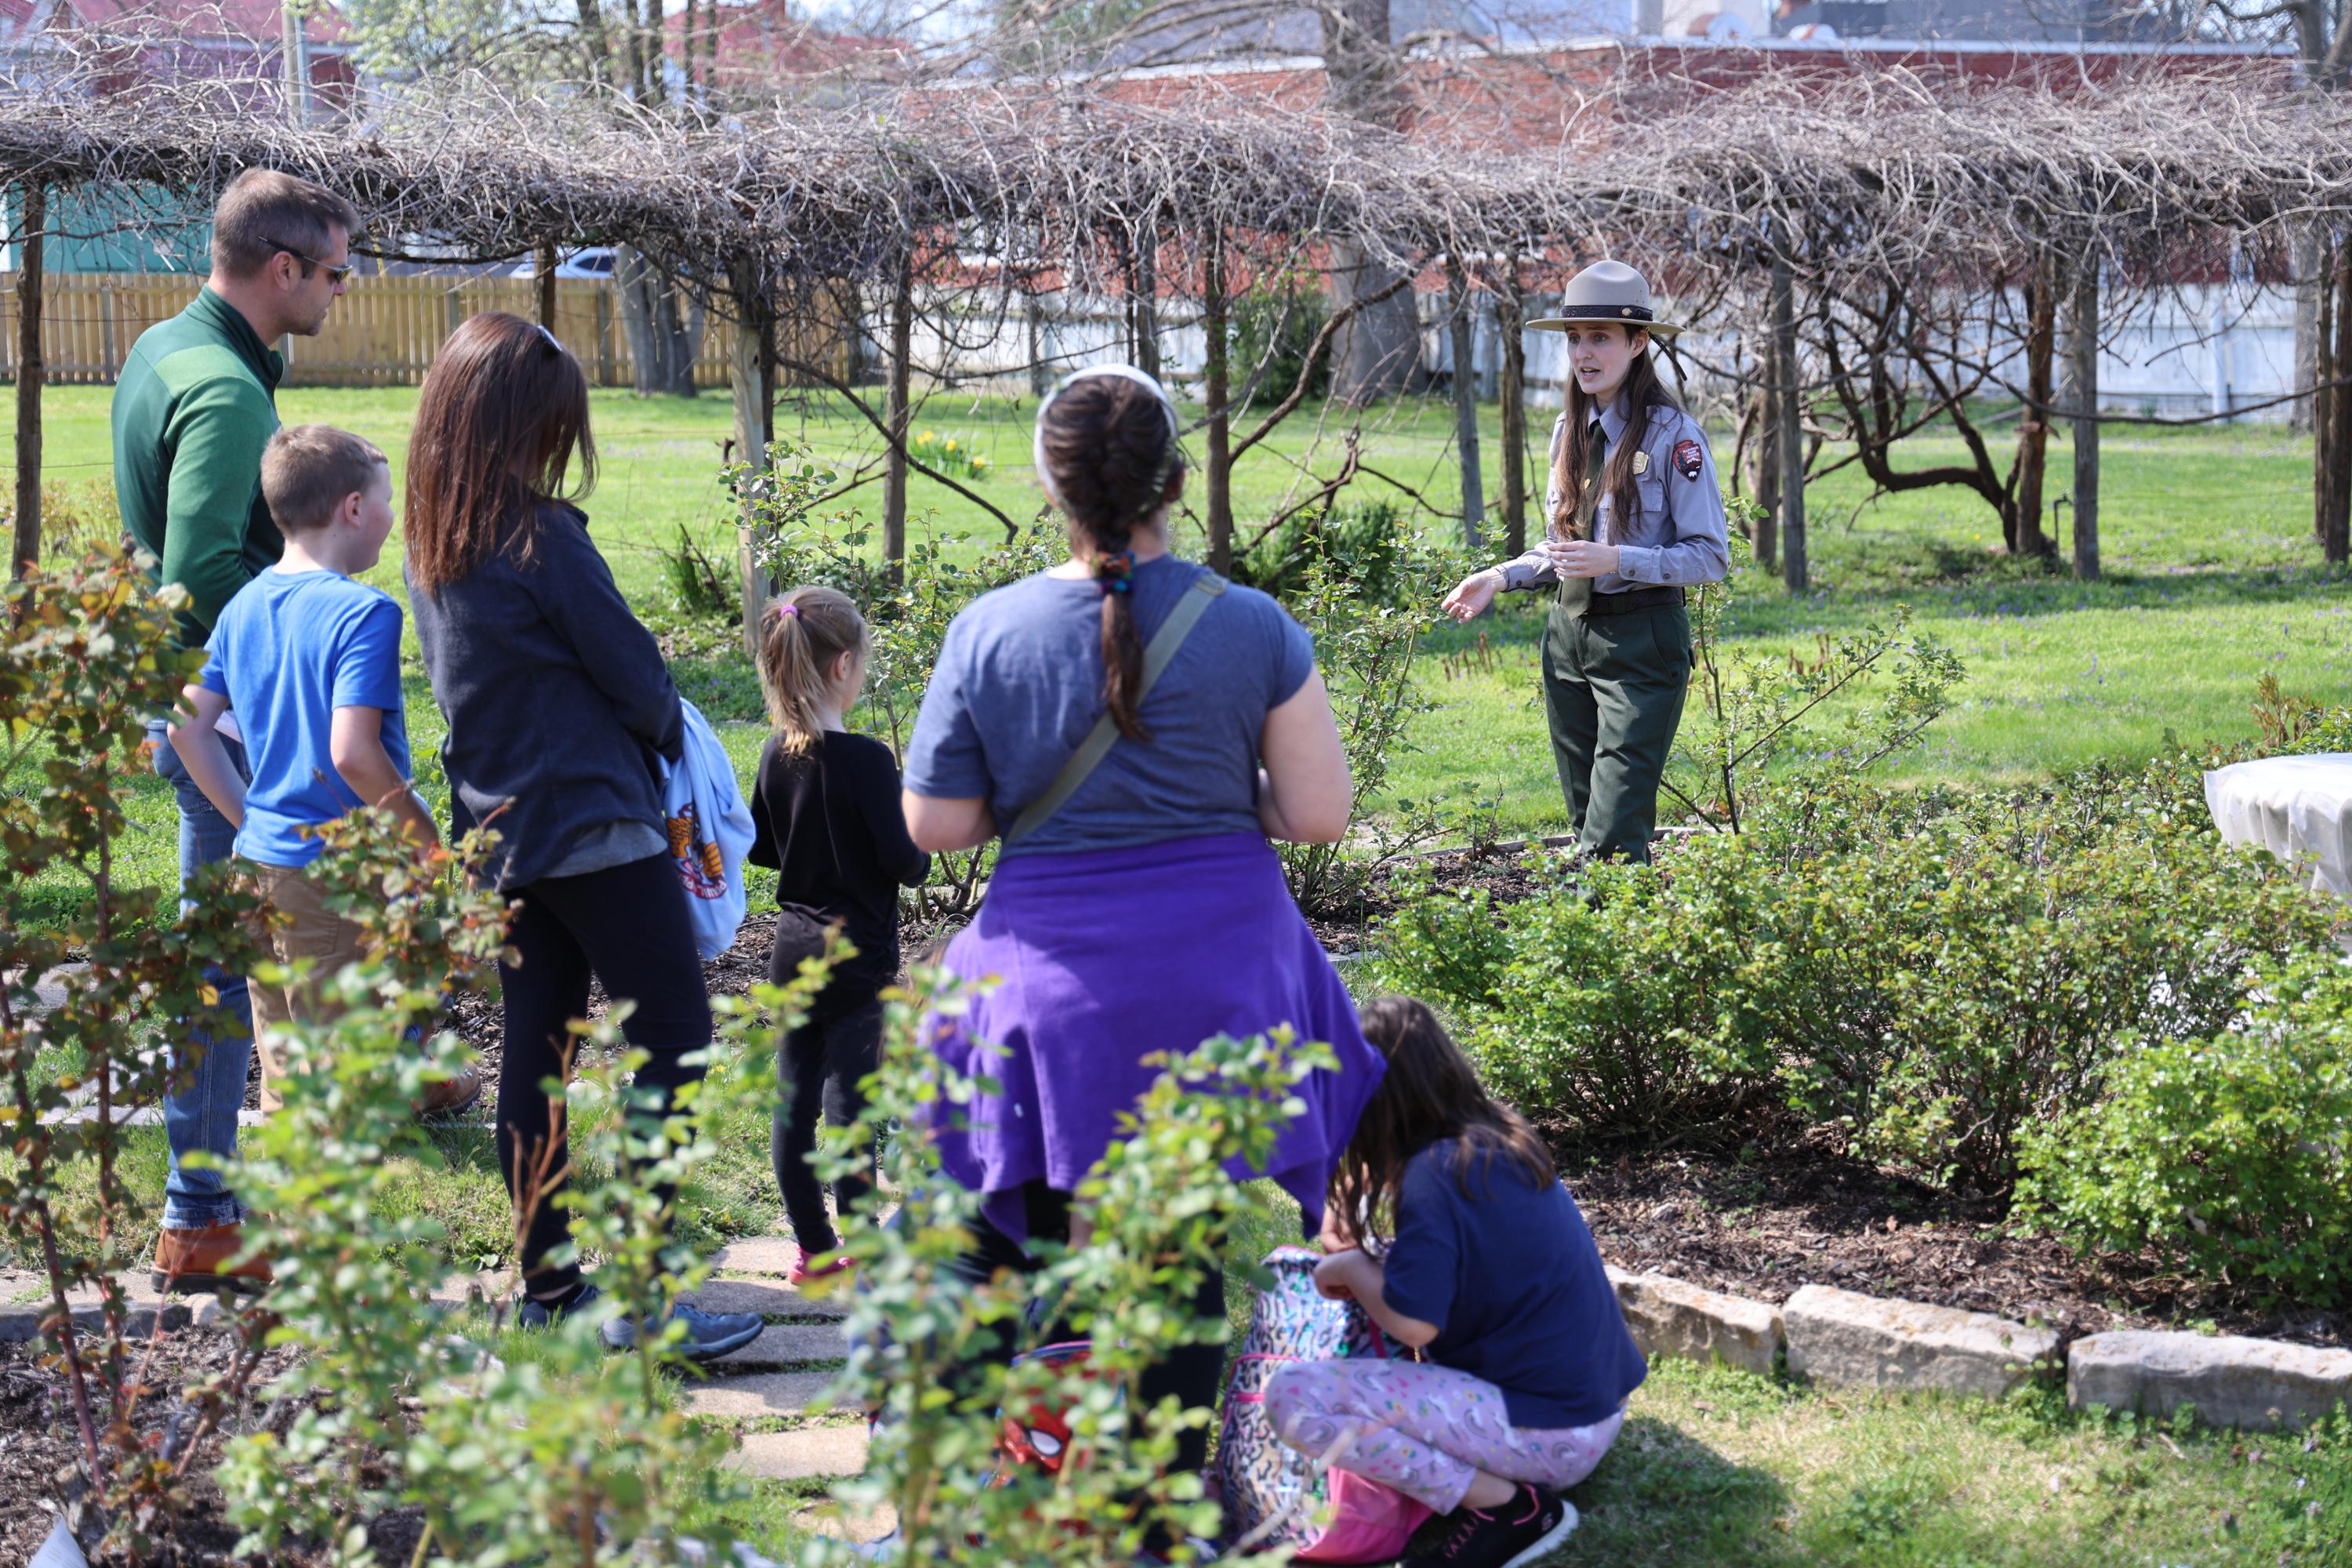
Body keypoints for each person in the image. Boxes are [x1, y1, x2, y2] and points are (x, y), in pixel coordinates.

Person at [899, 364, 1388, 1497]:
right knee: (1172, 1250)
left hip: (1045, 999)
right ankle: (1157, 1507)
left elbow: (938, 826)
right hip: (1219, 985)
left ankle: (978, 1487)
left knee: (999, 1229)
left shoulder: (989, 630)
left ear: (1050, 486)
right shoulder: (1253, 625)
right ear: (1175, 481)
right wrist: (1213, 798)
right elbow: (1318, 812)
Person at [402, 311, 760, 1363]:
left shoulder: (435, 542)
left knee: (540, 1047)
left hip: (501, 832)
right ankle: (648, 1293)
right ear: (519, 422)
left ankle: (551, 1288)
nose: (560, 444)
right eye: (553, 426)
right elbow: (637, 678)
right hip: (596, 824)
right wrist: (668, 727)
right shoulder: (540, 535)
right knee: (677, 1035)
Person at [114, 168, 361, 1290]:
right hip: (216, 713)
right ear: (283, 268)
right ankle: (200, 1213)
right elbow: (202, 565)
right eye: (335, 276)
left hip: (182, 697)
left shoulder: (163, 346)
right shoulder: (224, 392)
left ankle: (212, 1198)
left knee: (222, 948)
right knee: (217, 962)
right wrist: (292, 645)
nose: (341, 294)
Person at [164, 424, 483, 1138]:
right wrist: (425, 838)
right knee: (335, 1095)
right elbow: (353, 754)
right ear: (353, 508)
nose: (394, 516)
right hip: (332, 877)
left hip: (259, 868)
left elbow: (187, 728)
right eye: (387, 499)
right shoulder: (365, 613)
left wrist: (252, 820)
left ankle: (292, 1212)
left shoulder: (245, 604)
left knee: (289, 1070)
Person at [1265, 996, 1646, 1568]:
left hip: (1550, 1435)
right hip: (1592, 1411)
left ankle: (1509, 1508)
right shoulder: (1492, 1137)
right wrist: (1354, 1220)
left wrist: (1348, 1270)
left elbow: (1414, 1324)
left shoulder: (1432, 1178)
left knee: (1294, 1397)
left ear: (1374, 1097)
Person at [1439, 260, 1730, 864]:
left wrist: (1617, 559)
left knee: (1612, 838)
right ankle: (1597, 920)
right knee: (1584, 826)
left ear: (1638, 342)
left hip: (1641, 643)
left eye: (1600, 337)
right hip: (1568, 640)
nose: (1583, 353)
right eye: (1575, 338)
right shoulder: (1568, 429)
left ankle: (1611, 924)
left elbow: (1709, 556)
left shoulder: (1674, 437)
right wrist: (1499, 576)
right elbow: (1565, 548)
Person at [746, 586, 929, 1286]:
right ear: (843, 665)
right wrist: (918, 851)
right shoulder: (870, 761)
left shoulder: (774, 754)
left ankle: (815, 1250)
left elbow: (763, 848)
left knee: (793, 1106)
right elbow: (904, 862)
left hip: (793, 952)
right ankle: (869, 1256)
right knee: (851, 1111)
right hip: (858, 959)